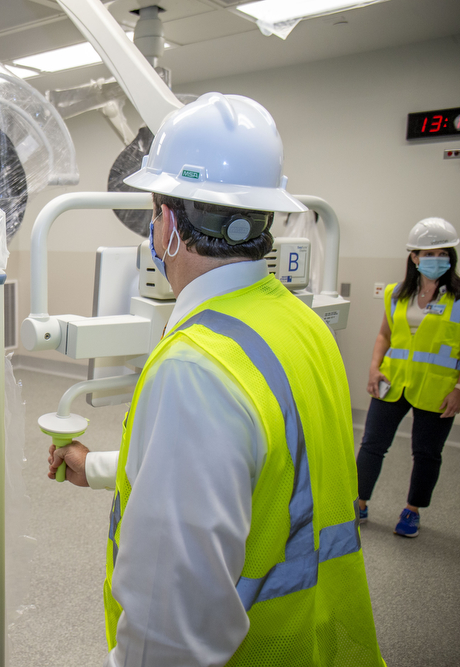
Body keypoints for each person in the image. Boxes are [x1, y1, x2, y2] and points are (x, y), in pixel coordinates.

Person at [49, 92, 384, 666]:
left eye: (153, 212)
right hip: (320, 640)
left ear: (168, 221)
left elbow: (172, 631)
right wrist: (99, 467)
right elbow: (261, 468)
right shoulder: (302, 323)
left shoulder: (196, 367)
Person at [356, 217, 460, 538]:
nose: (435, 260)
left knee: (426, 453)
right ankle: (358, 502)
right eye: (428, 254)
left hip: (436, 387)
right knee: (372, 445)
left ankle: (412, 511)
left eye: (443, 254)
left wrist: (459, 388)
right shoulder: (395, 293)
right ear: (414, 257)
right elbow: (384, 336)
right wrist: (374, 368)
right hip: (392, 381)